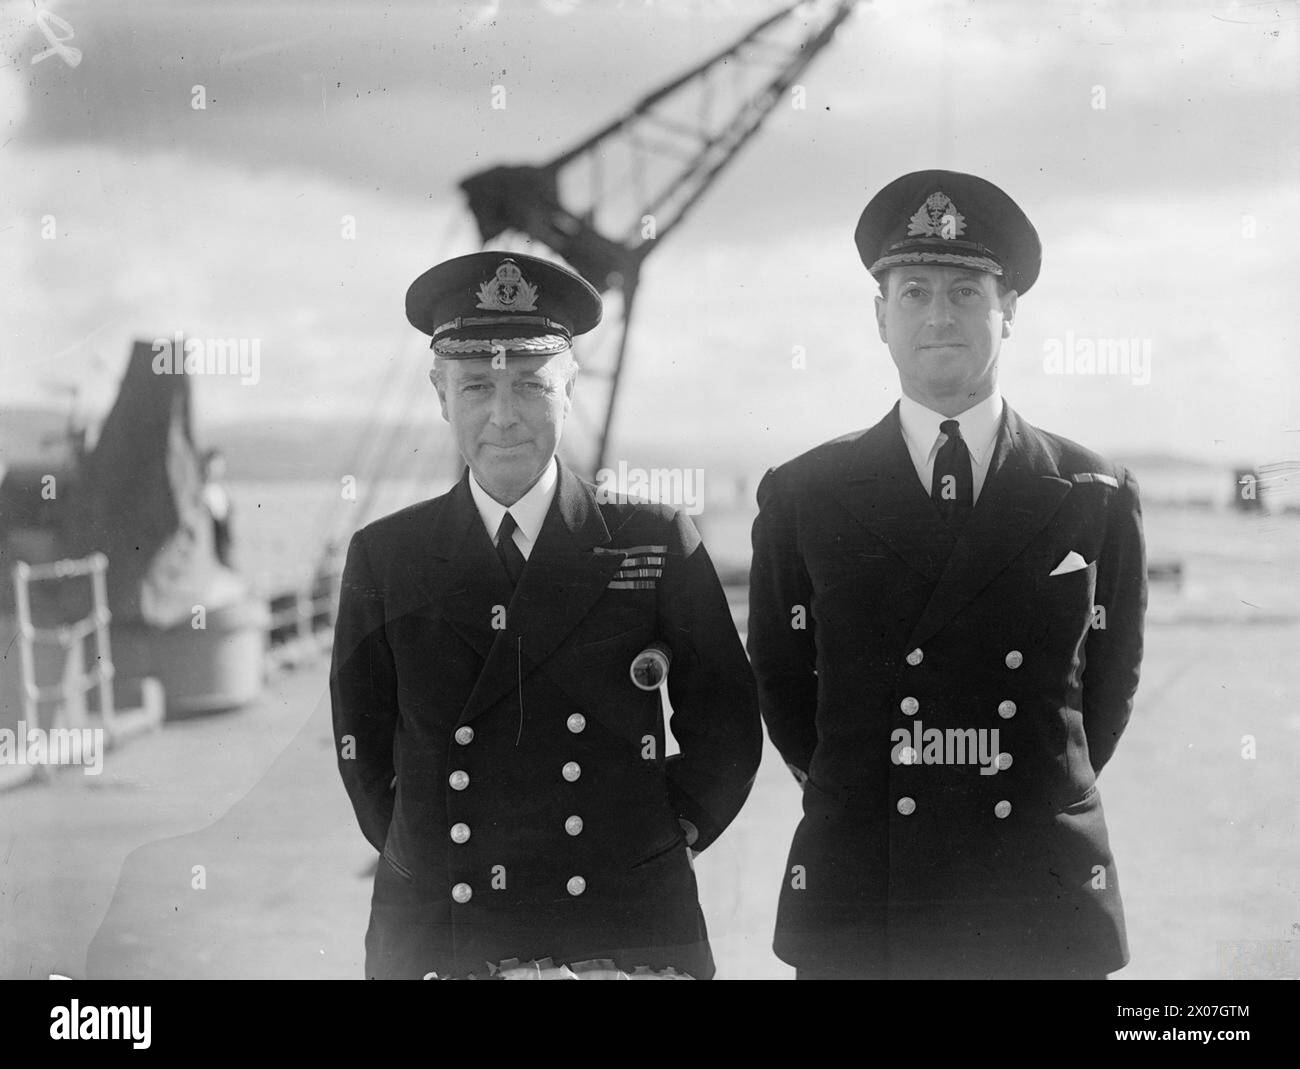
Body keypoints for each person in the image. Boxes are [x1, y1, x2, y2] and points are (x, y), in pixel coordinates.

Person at [747, 170, 1147, 980]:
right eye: (915, 290)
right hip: (867, 884)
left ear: (1009, 312)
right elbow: (784, 688)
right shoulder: (804, 494)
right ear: (879, 317)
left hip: (1036, 886)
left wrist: (1017, 775)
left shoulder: (1094, 492)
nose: (939, 316)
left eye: (966, 291)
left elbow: (1105, 692)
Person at [331, 251, 761, 980]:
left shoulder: (653, 540)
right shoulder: (386, 557)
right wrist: (428, 852)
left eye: (529, 384)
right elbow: (362, 752)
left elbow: (726, 726)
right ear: (441, 394)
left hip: (620, 927)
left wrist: (657, 842)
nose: (503, 416)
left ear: (569, 389)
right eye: (476, 387)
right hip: (446, 932)